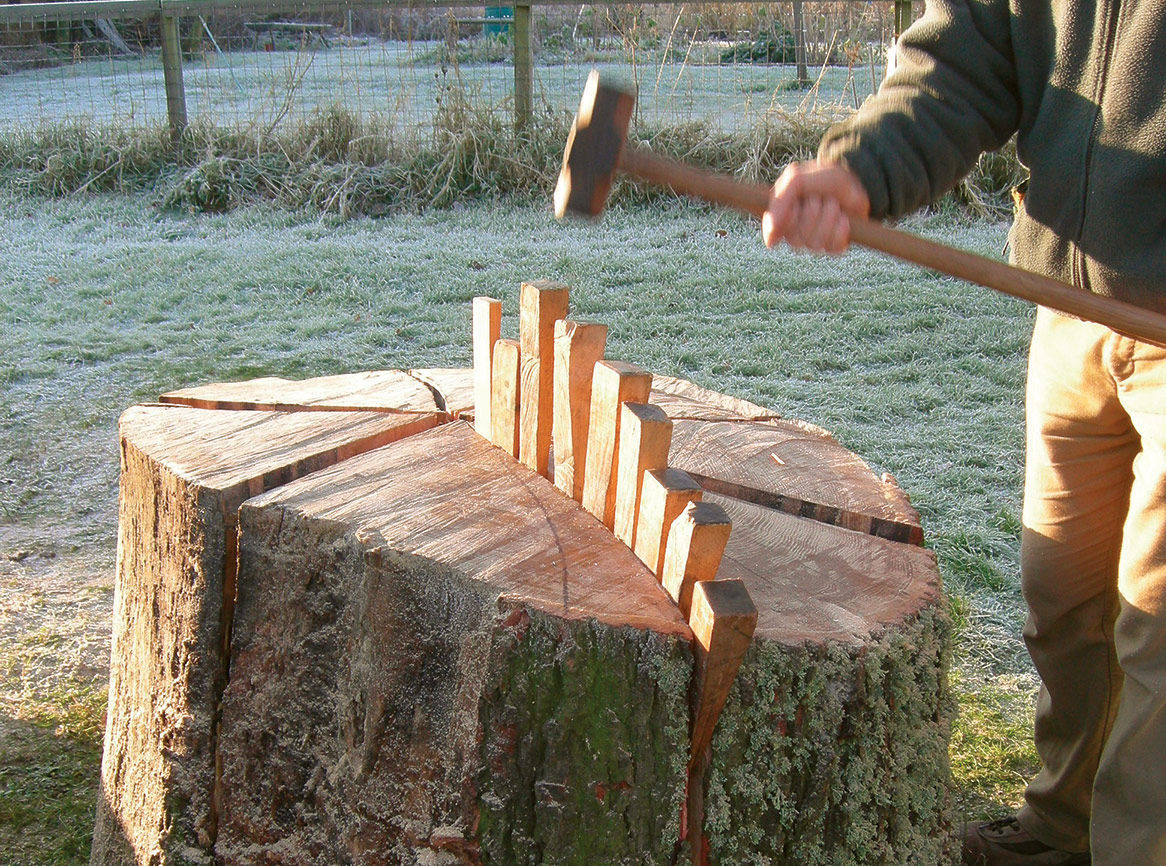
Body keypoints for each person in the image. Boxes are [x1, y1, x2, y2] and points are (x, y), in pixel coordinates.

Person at [761, 1, 1166, 864]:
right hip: (1072, 305)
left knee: (1160, 630)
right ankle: (1064, 833)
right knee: (1069, 600)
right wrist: (861, 168)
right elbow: (966, 58)